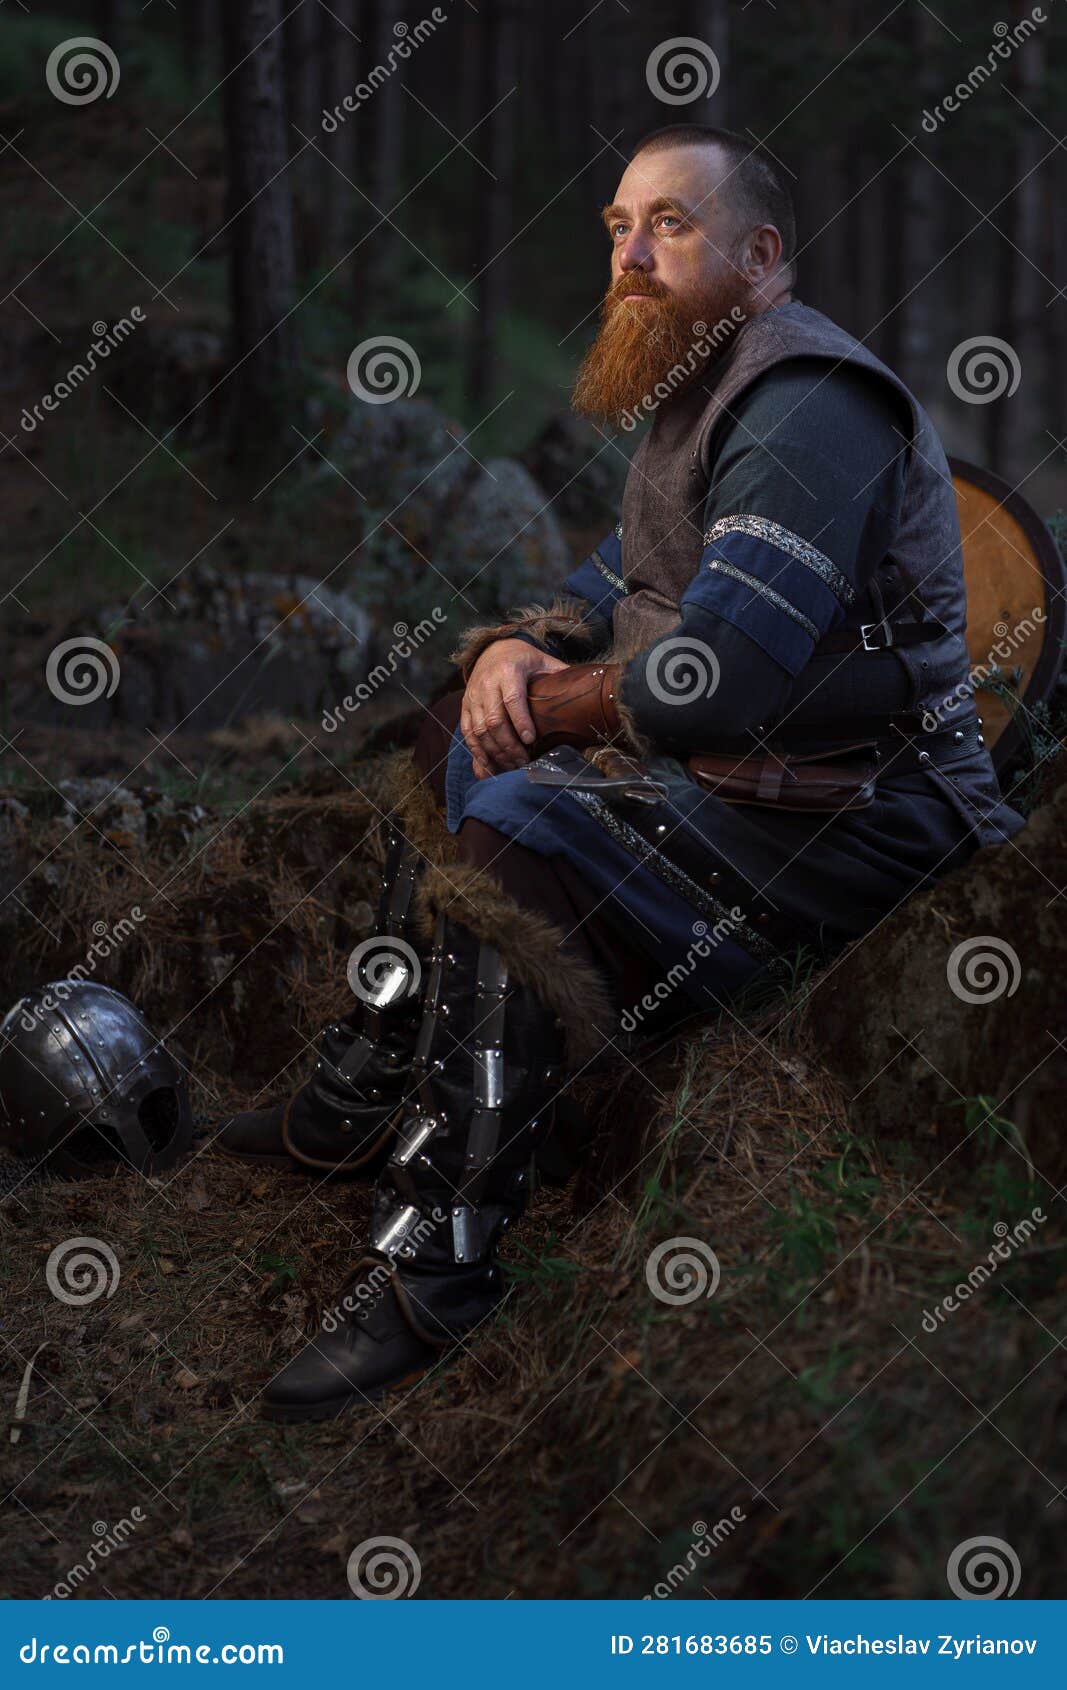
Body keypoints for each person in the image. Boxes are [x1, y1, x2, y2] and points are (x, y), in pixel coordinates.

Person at [217, 124, 1022, 1422]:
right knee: (446, 735)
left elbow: (730, 675)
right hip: (746, 788)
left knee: (523, 810)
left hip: (864, 820)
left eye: (671, 226)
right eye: (616, 226)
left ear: (762, 259)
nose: (631, 256)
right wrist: (520, 651)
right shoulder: (696, 394)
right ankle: (364, 1096)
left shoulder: (810, 401)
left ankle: (442, 1261)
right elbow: (613, 589)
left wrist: (548, 708)